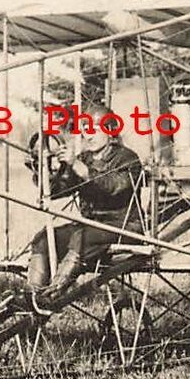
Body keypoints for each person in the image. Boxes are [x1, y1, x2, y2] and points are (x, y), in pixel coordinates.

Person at [23, 125, 144, 313]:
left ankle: (52, 295)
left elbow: (112, 187)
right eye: (85, 130)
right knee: (44, 239)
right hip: (91, 228)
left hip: (125, 227)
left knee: (82, 238)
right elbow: (57, 191)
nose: (88, 134)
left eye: (94, 129)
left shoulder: (128, 158)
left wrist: (78, 167)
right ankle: (31, 297)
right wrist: (42, 169)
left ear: (110, 131)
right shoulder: (84, 159)